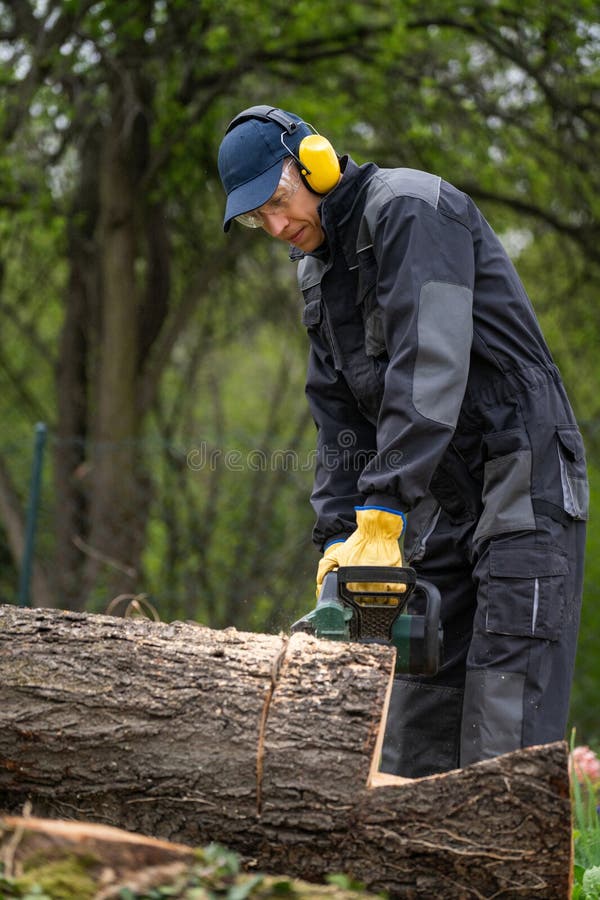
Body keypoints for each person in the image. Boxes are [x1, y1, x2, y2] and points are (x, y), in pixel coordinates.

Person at [217, 105, 588, 778]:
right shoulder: (316, 271)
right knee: (414, 703)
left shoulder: (412, 210)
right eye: (255, 219)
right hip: (439, 491)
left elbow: (431, 364)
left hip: (519, 472)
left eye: (277, 201)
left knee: (506, 705)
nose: (275, 227)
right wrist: (337, 537)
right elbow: (340, 420)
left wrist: (384, 506)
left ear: (316, 163)